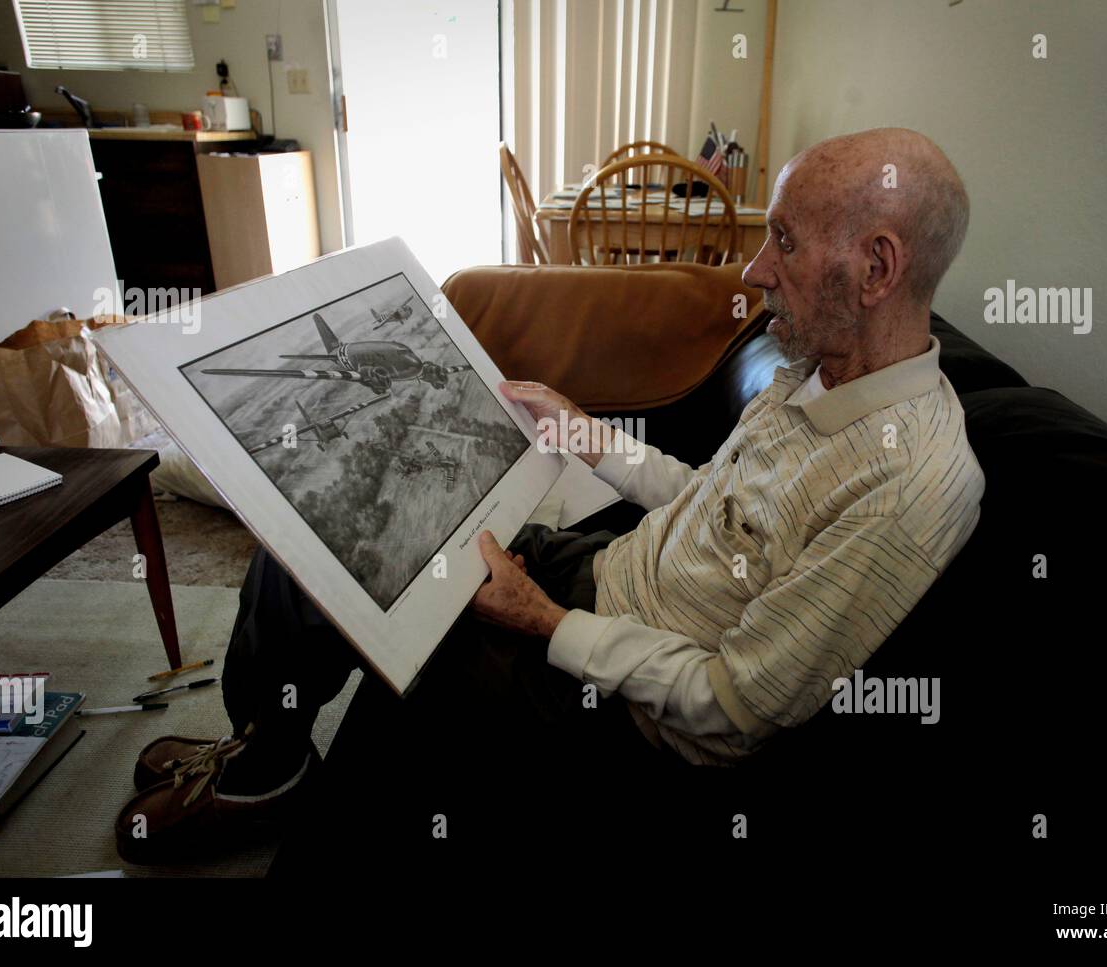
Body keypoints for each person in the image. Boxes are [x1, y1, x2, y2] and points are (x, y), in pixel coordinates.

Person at [115, 127, 984, 861]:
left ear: (876, 268)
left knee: (380, 615)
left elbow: (734, 704)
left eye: (784, 242)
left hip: (622, 708)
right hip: (603, 580)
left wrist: (538, 619)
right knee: (305, 549)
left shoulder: (908, 484)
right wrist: (579, 431)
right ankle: (267, 751)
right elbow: (710, 495)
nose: (754, 271)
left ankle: (285, 795)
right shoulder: (819, 370)